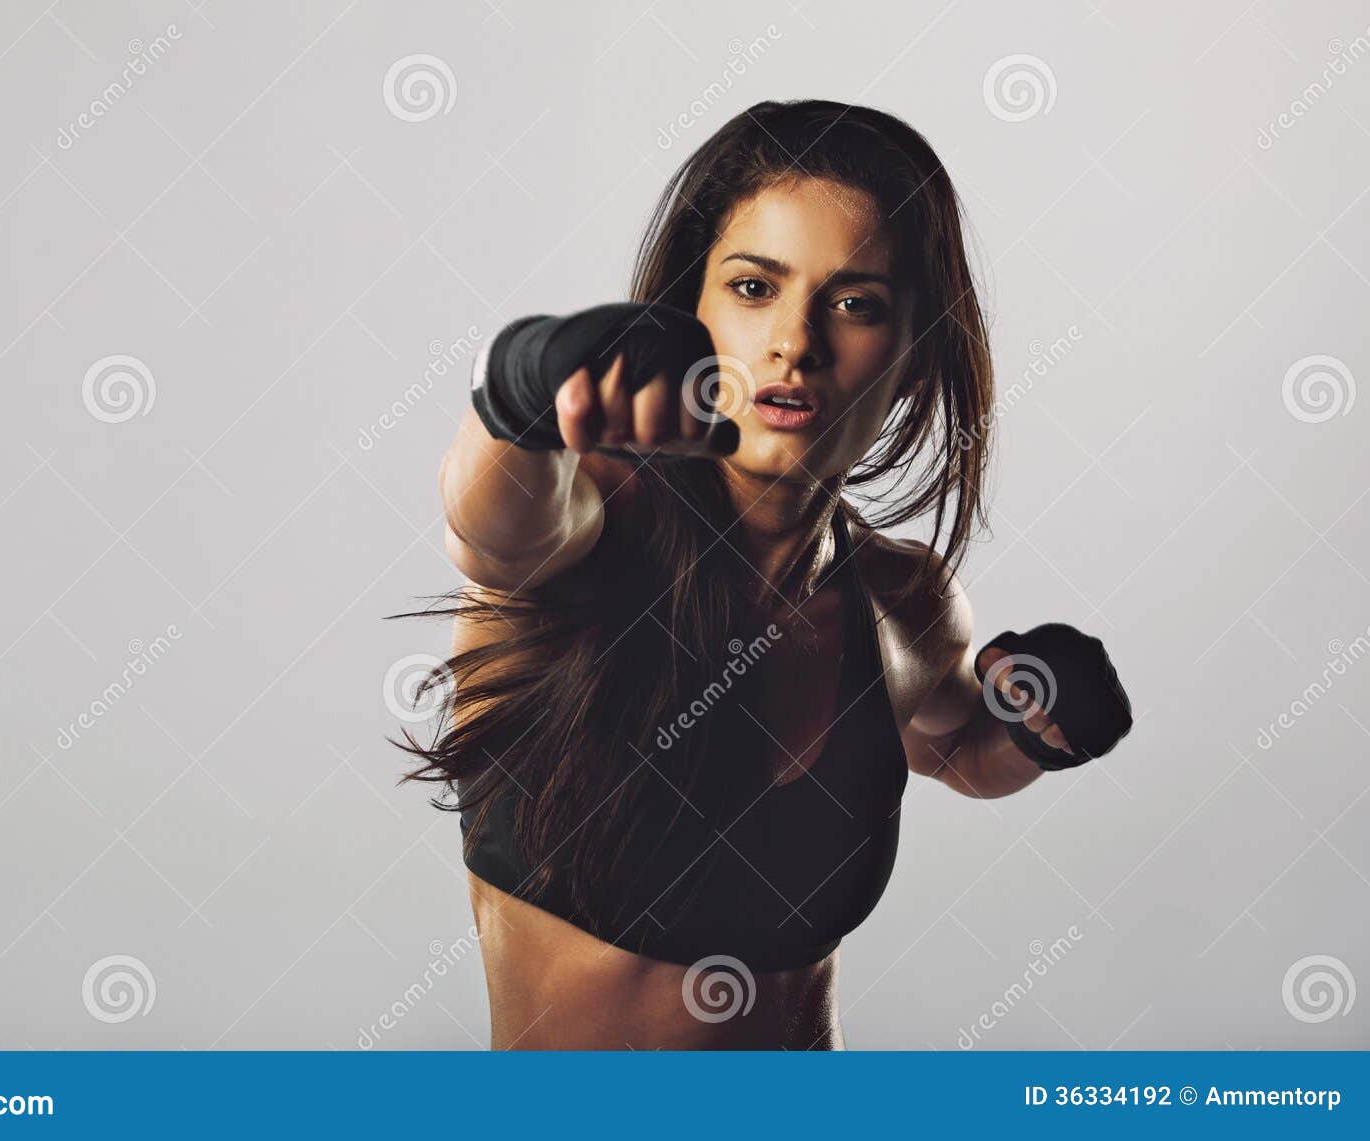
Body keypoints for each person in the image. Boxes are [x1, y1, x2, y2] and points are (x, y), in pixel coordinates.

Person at [392, 99, 1132, 1050]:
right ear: (690, 311)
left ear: (914, 354)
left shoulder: (903, 602)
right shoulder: (587, 525)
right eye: (753, 287)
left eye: (856, 304)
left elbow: (958, 747)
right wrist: (526, 379)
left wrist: (1042, 724)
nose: (796, 341)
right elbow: (489, 524)